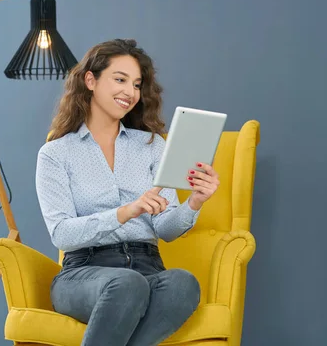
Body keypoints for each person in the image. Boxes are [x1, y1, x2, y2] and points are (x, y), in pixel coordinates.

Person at [35, 39, 220, 346]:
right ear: (90, 80)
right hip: (84, 273)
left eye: (136, 84)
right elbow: (62, 235)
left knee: (182, 283)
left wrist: (195, 202)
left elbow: (166, 229)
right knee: (126, 283)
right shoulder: (55, 154)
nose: (130, 92)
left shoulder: (151, 145)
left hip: (147, 267)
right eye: (120, 80)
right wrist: (125, 212)